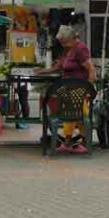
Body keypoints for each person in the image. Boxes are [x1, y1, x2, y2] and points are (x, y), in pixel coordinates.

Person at [35, 25, 96, 154]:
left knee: (78, 113)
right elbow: (58, 67)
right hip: (68, 89)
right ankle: (68, 142)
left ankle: (82, 141)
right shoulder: (67, 50)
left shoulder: (80, 49)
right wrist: (42, 71)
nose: (62, 44)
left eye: (64, 41)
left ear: (72, 38)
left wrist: (88, 89)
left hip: (79, 89)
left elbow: (91, 70)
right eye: (61, 42)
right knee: (70, 112)